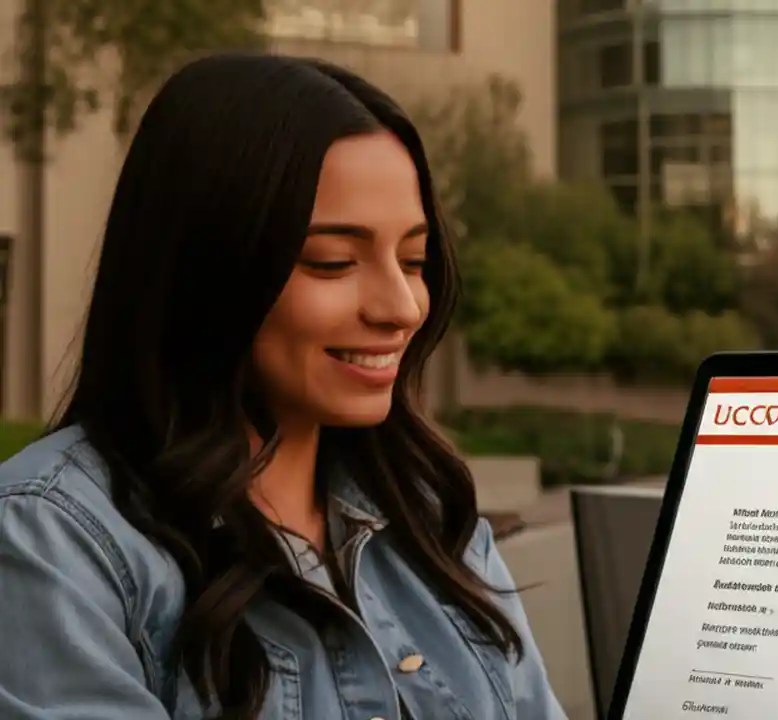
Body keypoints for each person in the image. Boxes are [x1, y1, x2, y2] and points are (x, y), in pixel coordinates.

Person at [0, 53, 566, 719]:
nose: (402, 307)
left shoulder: (432, 518)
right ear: (208, 266)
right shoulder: (54, 541)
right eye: (333, 261)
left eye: (413, 260)